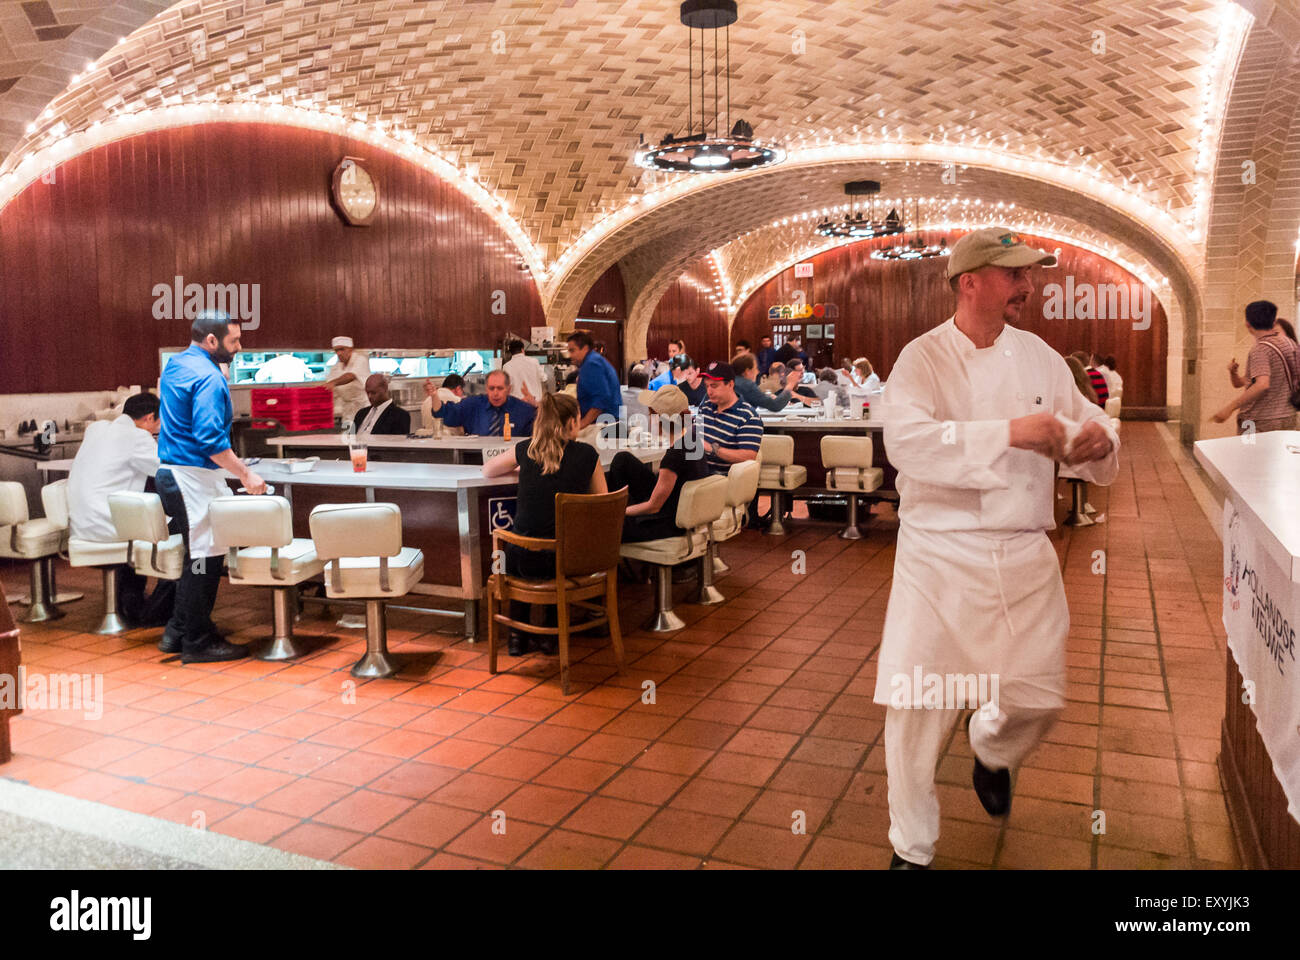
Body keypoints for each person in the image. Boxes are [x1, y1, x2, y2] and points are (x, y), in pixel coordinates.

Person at [875, 227, 1119, 870]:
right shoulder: (921, 359)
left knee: (1036, 693)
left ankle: (992, 749)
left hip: (1024, 549)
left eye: (1028, 275)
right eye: (1015, 275)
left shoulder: (1038, 354)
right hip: (939, 554)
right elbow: (908, 445)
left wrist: (1099, 443)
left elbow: (1087, 425)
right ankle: (912, 848)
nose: (1028, 287)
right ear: (970, 281)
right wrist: (1011, 433)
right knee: (918, 708)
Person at [157, 312, 268, 663]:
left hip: (173, 472)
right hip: (192, 478)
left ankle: (178, 630)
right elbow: (210, 440)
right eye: (234, 341)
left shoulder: (177, 364)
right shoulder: (209, 376)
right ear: (211, 341)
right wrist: (246, 475)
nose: (239, 347)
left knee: (198, 559)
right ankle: (197, 642)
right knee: (202, 561)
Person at [482, 393, 605, 656]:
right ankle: (551, 635)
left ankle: (517, 638)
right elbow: (603, 504)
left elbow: (488, 470)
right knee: (558, 541)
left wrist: (522, 470)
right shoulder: (588, 455)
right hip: (569, 561)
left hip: (522, 559)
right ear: (573, 422)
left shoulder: (526, 449)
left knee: (521, 539)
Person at [67, 391, 175, 628]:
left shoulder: (96, 430)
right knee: (178, 532)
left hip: (81, 522)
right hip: (108, 523)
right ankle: (153, 612)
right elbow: (166, 468)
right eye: (158, 422)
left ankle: (131, 601)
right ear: (148, 418)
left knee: (140, 518)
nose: (158, 428)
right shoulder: (137, 437)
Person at [607, 385, 709, 542]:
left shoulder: (674, 456)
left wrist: (619, 513)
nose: (648, 419)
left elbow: (653, 506)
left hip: (668, 523)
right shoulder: (693, 440)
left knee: (603, 527)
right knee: (623, 460)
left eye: (651, 414)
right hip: (679, 508)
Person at [1213, 299, 1300, 432]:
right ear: (1273, 321)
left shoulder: (1260, 349)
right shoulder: (1290, 344)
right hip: (1288, 417)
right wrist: (1233, 373)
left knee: (1249, 452)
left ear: (1248, 324)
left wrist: (1229, 408)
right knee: (1280, 453)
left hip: (1257, 419)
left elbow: (1262, 384)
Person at [695, 361, 763, 475]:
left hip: (720, 479)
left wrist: (712, 449)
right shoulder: (705, 407)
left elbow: (748, 457)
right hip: (697, 470)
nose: (709, 391)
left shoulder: (748, 416)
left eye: (714, 386)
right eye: (707, 386)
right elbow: (695, 440)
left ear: (730, 384)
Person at [428, 369, 534, 436]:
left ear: (509, 389)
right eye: (491, 388)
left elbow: (541, 432)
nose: (495, 393)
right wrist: (434, 396)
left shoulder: (523, 410)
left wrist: (537, 404)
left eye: (500, 388)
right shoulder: (473, 405)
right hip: (477, 460)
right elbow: (443, 413)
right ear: (486, 389)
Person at [568, 329, 623, 435]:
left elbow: (600, 400)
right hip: (607, 423)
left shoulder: (591, 364)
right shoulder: (594, 361)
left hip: (604, 426)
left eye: (572, 351)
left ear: (584, 348)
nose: (570, 355)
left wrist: (581, 425)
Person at [733, 352, 800, 412]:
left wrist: (766, 398)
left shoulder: (734, 382)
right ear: (747, 371)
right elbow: (775, 406)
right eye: (755, 368)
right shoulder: (747, 385)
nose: (758, 372)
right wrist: (790, 385)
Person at [325, 336, 370, 423]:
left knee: (363, 435)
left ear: (350, 349)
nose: (339, 353)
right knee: (347, 435)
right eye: (336, 350)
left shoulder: (360, 360)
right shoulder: (336, 367)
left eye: (342, 349)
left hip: (363, 408)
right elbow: (329, 387)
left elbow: (351, 376)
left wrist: (333, 383)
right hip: (347, 411)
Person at [502, 339, 545, 404]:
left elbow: (507, 387)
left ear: (511, 353)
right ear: (522, 350)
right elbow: (544, 378)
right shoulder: (534, 361)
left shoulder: (506, 366)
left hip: (518, 404)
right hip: (535, 402)